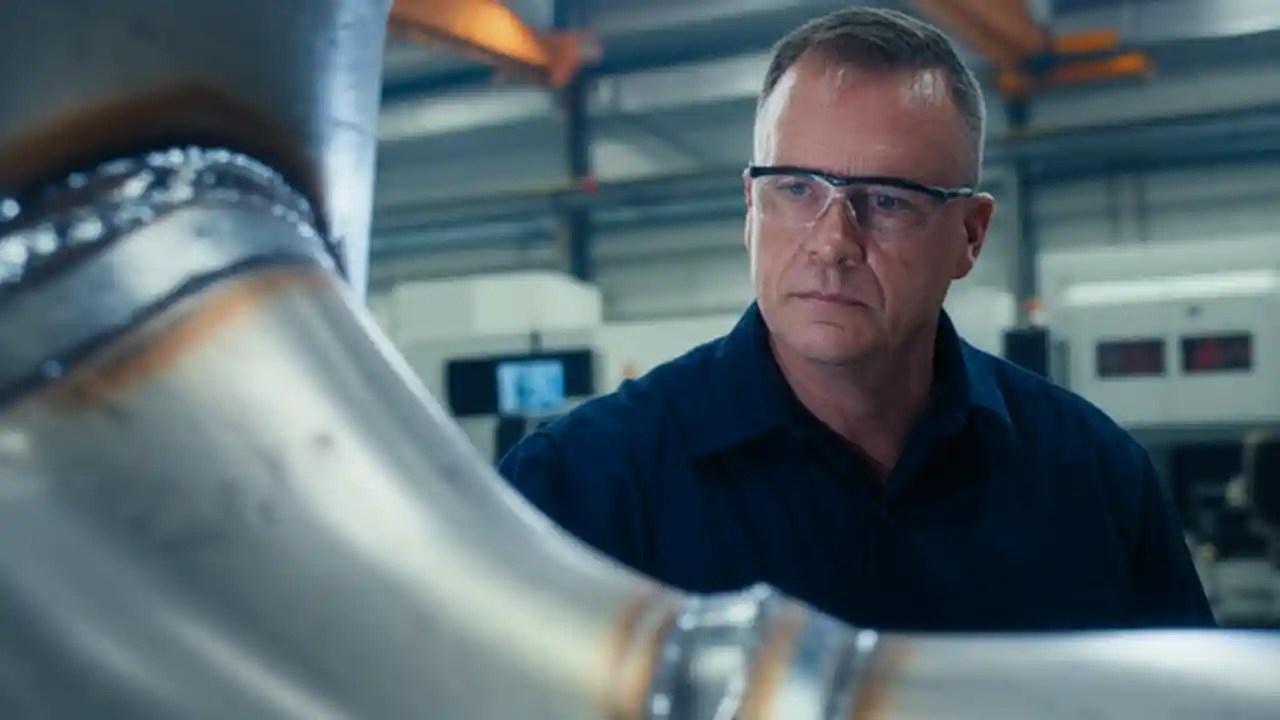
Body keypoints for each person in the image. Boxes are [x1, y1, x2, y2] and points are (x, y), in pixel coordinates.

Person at [498, 7, 1215, 631]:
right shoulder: (577, 492)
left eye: (889, 200)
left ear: (970, 235)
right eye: (795, 189)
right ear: (750, 209)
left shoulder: (1097, 484)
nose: (833, 243)